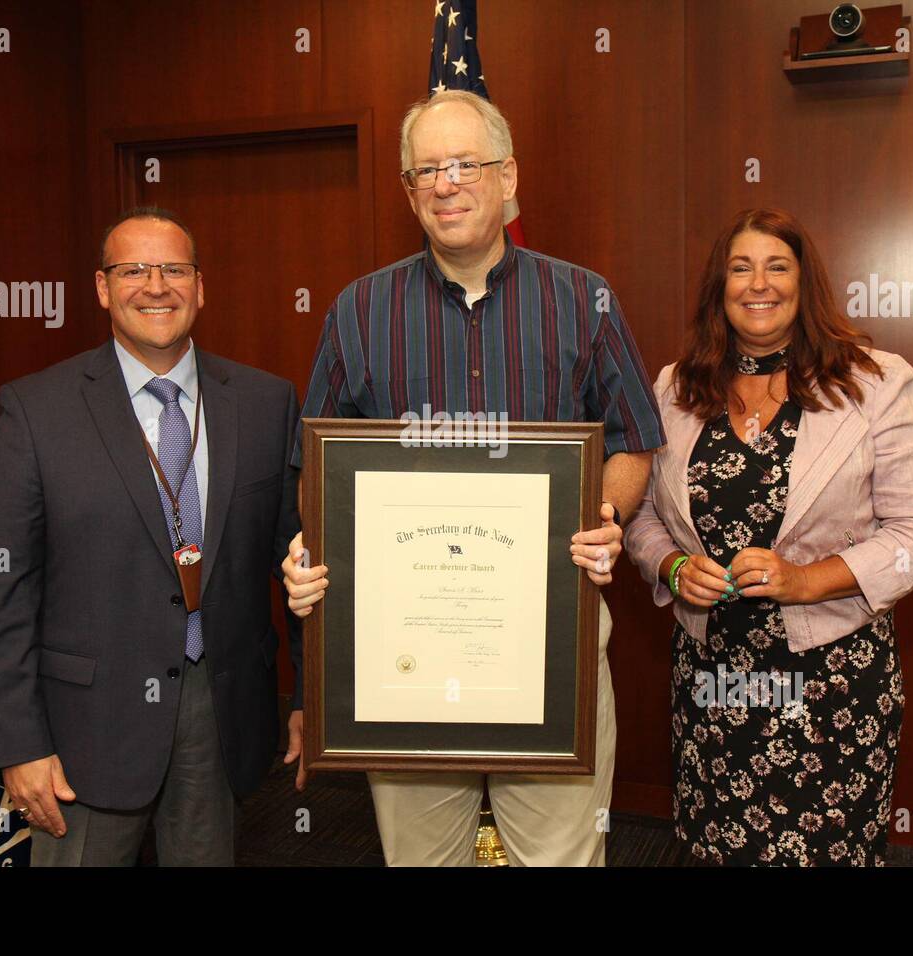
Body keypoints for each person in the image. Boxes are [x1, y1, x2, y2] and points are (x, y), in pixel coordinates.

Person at [280, 90, 666, 866]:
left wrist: (603, 513)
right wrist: (310, 543)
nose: (445, 184)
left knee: (558, 856)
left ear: (508, 175)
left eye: (465, 164)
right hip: (405, 638)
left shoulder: (582, 300)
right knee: (421, 858)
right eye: (425, 170)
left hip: (551, 622)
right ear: (408, 190)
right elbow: (317, 464)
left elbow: (634, 442)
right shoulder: (359, 310)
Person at [0, 207, 303, 866]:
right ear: (102, 287)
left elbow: (297, 566)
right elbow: (3, 591)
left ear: (200, 287)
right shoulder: (37, 410)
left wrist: (312, 699)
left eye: (175, 268)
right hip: (85, 729)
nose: (156, 285)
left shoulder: (267, 403)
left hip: (222, 710)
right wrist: (17, 744)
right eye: (134, 270)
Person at [624, 207, 913, 865]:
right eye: (740, 268)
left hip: (832, 678)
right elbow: (641, 517)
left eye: (778, 266)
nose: (759, 283)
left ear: (805, 284)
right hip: (712, 678)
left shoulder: (876, 383)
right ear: (720, 288)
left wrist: (804, 579)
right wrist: (670, 567)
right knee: (719, 847)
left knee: (824, 853)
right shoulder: (673, 388)